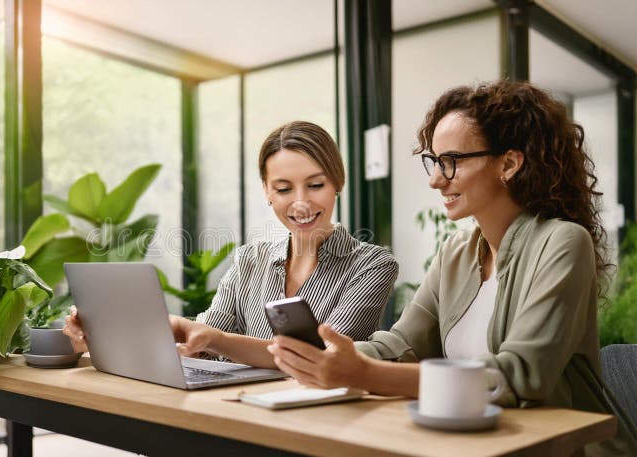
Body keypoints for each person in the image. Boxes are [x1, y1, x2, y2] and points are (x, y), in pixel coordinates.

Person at [268, 81, 637, 455]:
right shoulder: (455, 252)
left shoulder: (562, 242)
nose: (435, 179)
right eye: (434, 161)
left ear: (508, 163)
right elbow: (402, 346)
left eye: (452, 161)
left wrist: (365, 374)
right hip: (471, 442)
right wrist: (333, 357)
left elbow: (520, 376)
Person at [64, 120, 398, 368]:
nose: (301, 203)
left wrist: (216, 340)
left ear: (337, 181)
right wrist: (107, 331)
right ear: (267, 191)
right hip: (240, 410)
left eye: (315, 185)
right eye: (283, 189)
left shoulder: (372, 265)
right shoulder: (249, 260)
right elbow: (206, 336)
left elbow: (317, 358)